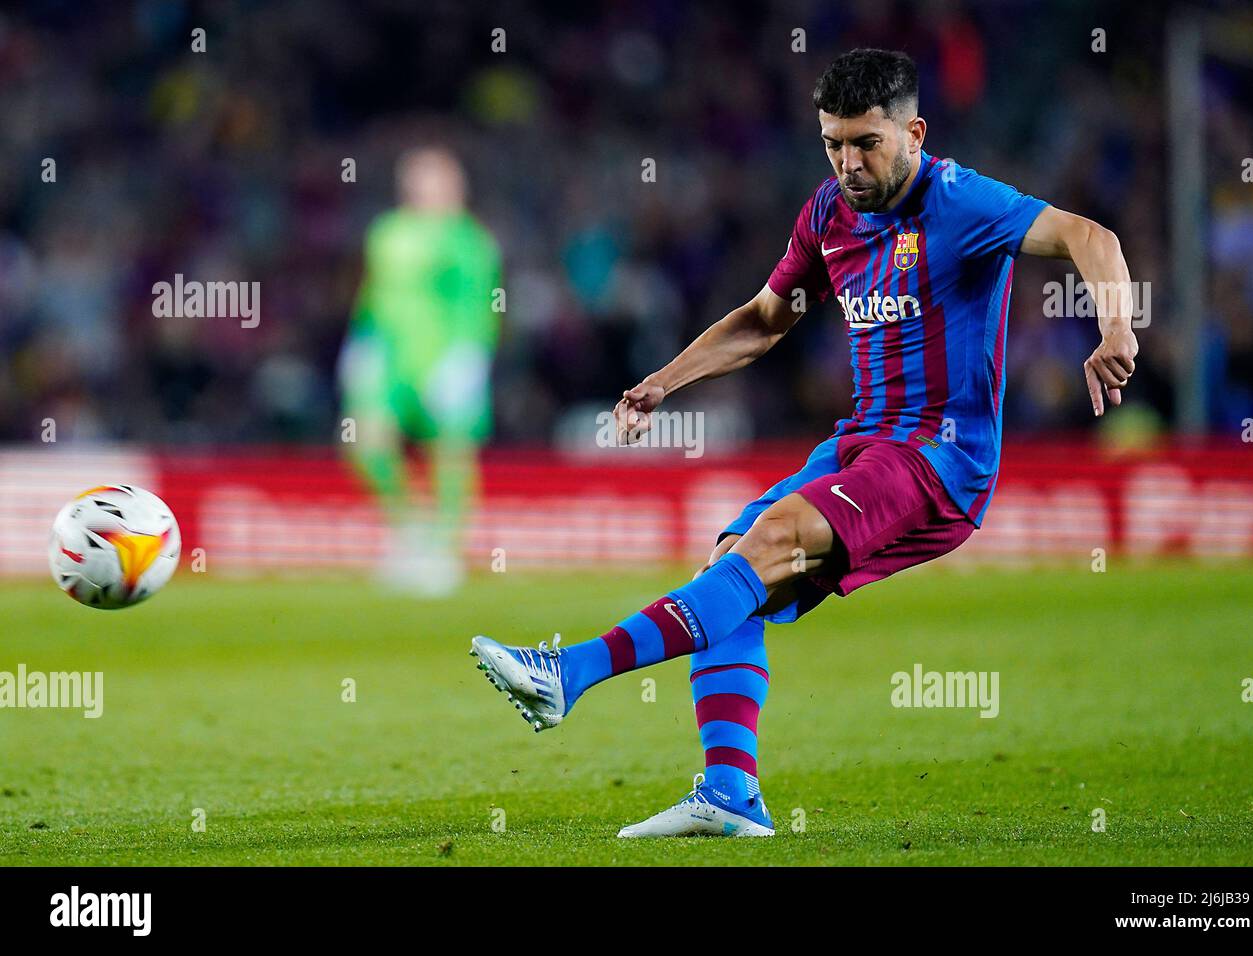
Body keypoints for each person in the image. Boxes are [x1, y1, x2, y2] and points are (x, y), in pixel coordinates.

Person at [470, 49, 1138, 836]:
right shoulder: (829, 214)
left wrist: (1116, 324)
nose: (849, 162)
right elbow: (764, 319)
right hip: (860, 444)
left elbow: (1090, 236)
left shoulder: (962, 202)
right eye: (833, 143)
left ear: (914, 132)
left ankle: (568, 672)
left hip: (937, 457)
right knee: (733, 561)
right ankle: (729, 793)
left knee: (773, 537)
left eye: (867, 143)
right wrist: (665, 381)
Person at [340, 147, 501, 596]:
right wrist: (360, 341)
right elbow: (374, 291)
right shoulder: (387, 232)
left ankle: (444, 552)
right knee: (364, 441)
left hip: (445, 358)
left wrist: (468, 358)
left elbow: (480, 306)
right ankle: (409, 530)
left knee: (449, 452)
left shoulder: (470, 242)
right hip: (388, 355)